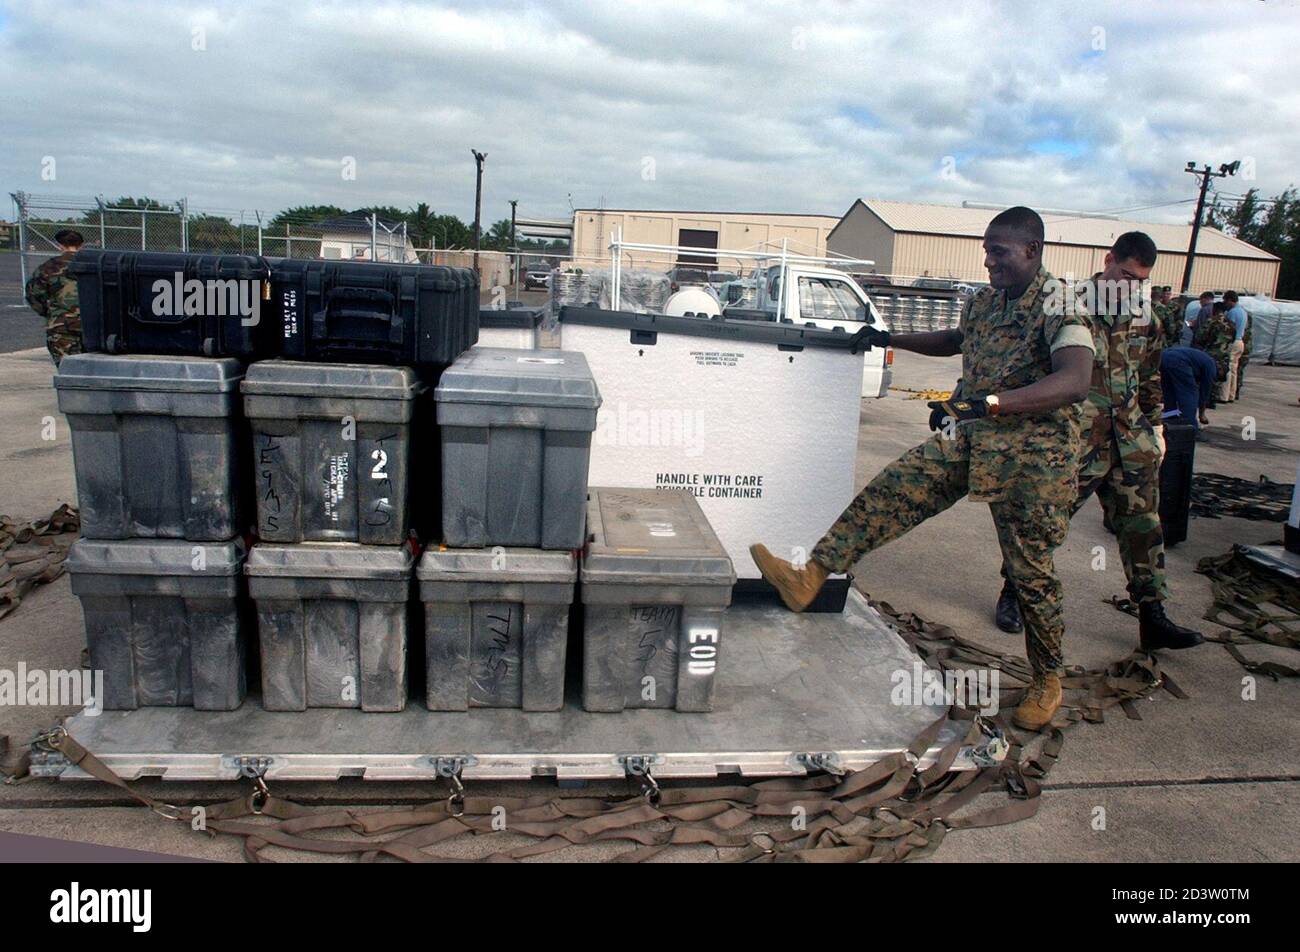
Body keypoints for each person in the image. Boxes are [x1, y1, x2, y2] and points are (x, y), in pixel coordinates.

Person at [749, 206, 1095, 731]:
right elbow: (956, 342)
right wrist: (888, 339)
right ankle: (810, 576)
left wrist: (991, 403)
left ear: (1032, 250)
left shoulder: (1061, 305)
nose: (988, 261)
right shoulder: (985, 302)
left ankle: (1047, 678)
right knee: (895, 488)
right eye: (986, 250)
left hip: (1034, 459)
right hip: (974, 438)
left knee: (1030, 573)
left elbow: (1074, 382)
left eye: (998, 251)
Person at [995, 232, 1201, 653]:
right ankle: (1013, 593)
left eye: (1141, 280)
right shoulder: (1064, 308)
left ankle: (1152, 616)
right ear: (1108, 260)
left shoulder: (1148, 316)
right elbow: (1033, 372)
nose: (1131, 286)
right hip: (1074, 443)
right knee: (1042, 525)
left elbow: (1150, 377)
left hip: (1130, 442)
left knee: (1144, 528)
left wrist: (1156, 428)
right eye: (1125, 275)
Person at [24, 229, 85, 366]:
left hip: (62, 327)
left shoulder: (48, 267)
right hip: (94, 328)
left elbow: (33, 295)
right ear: (82, 245)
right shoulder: (96, 264)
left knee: (68, 372)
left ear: (59, 245)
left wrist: (50, 313)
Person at [1160, 346, 1217, 432]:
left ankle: (1169, 421)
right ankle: (1189, 428)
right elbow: (1204, 393)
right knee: (1190, 394)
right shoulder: (1211, 366)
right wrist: (1201, 414)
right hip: (1178, 361)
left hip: (1164, 356)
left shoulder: (1203, 358)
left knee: (1169, 393)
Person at [1195, 301, 1237, 398]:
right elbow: (1233, 338)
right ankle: (1214, 396)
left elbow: (1200, 337)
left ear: (1215, 309)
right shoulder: (1231, 323)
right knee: (1220, 374)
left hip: (1211, 353)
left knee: (1207, 375)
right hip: (1224, 353)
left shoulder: (1211, 321)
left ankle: (1206, 397)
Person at [1222, 290, 1250, 400]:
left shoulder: (1232, 312)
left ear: (1229, 300)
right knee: (1234, 369)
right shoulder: (1243, 311)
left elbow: (1230, 328)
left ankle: (1223, 395)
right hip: (1240, 341)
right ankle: (1231, 394)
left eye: (1225, 301)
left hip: (1233, 342)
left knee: (1227, 368)